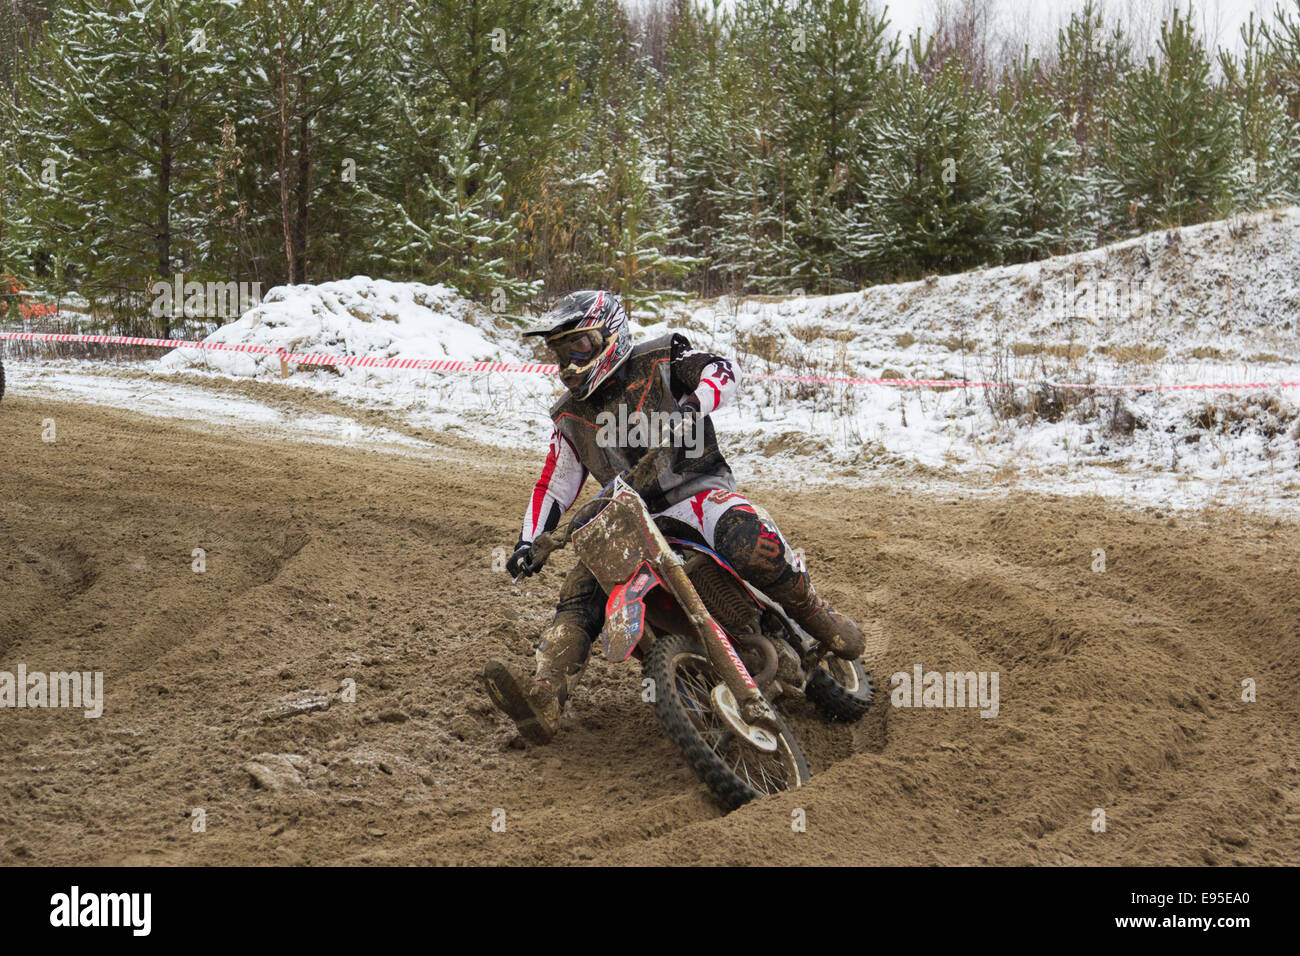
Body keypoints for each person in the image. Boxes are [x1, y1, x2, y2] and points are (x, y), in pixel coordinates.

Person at [483, 290, 865, 743]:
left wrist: (696, 402)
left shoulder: (662, 358)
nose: (569, 360)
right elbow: (555, 482)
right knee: (579, 595)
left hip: (696, 492)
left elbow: (722, 369)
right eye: (562, 351)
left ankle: (816, 616)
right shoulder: (570, 416)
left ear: (610, 333)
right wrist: (530, 541)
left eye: (579, 346)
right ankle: (545, 696)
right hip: (628, 522)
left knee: (741, 534)